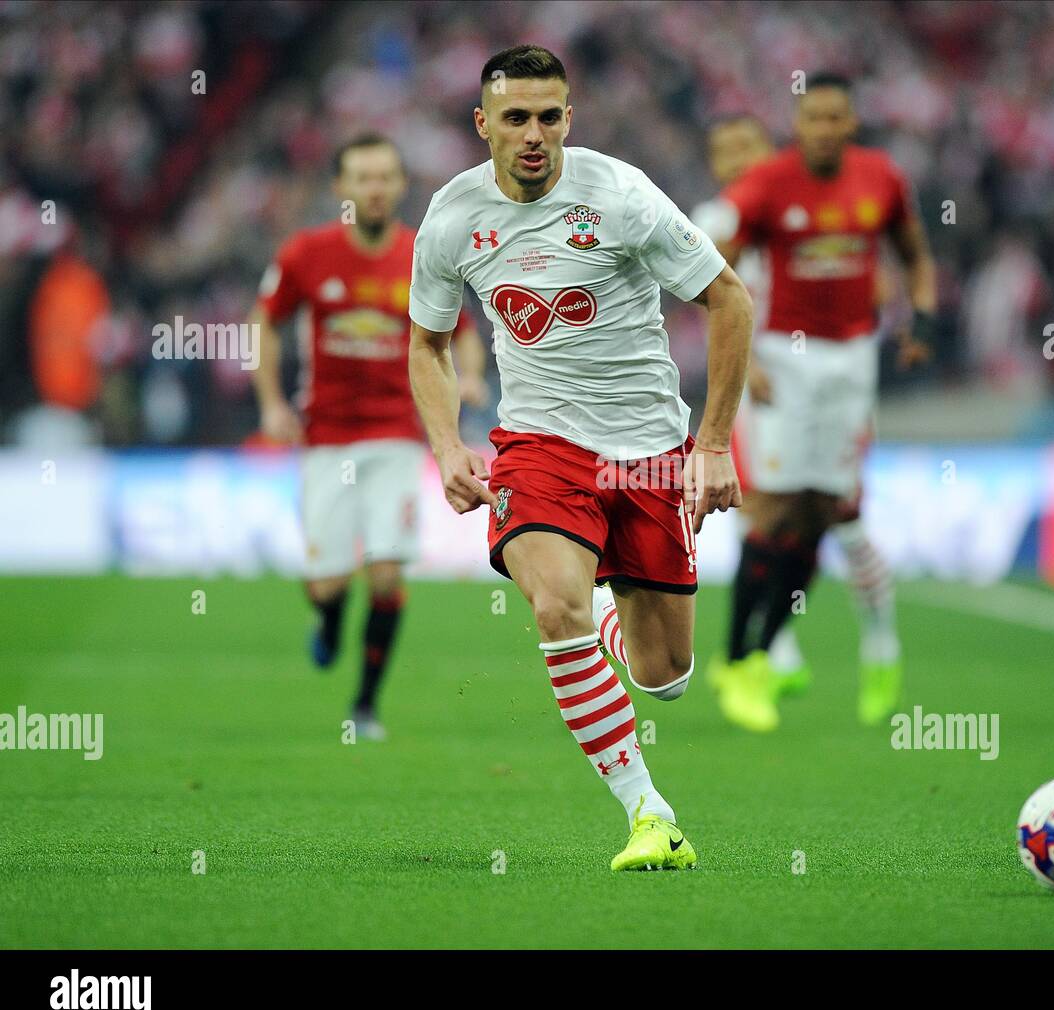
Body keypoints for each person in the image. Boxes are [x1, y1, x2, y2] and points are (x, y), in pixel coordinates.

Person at [407, 44, 752, 872]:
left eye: (549, 116)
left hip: (646, 453)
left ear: (571, 117)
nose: (534, 134)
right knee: (555, 604)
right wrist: (448, 443)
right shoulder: (452, 217)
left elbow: (728, 297)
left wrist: (711, 442)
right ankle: (649, 813)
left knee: (661, 672)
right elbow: (427, 344)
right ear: (482, 122)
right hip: (538, 447)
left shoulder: (620, 195)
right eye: (516, 117)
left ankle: (610, 613)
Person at [704, 74, 937, 732]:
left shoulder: (882, 178)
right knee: (769, 507)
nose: (827, 128)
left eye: (838, 116)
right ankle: (744, 656)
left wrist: (924, 318)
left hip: (854, 364)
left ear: (852, 121)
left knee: (826, 511)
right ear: (798, 123)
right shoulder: (770, 186)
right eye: (815, 117)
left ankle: (773, 652)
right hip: (784, 362)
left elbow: (914, 254)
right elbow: (713, 263)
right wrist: (739, 355)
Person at [251, 132, 487, 739]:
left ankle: (365, 705)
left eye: (385, 177)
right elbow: (266, 326)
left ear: (401, 184)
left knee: (386, 572)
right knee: (328, 583)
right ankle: (329, 620)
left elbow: (462, 330)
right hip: (325, 438)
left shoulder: (422, 254)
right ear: (341, 188)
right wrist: (273, 403)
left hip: (396, 434)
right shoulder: (307, 255)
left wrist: (471, 380)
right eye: (363, 177)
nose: (375, 188)